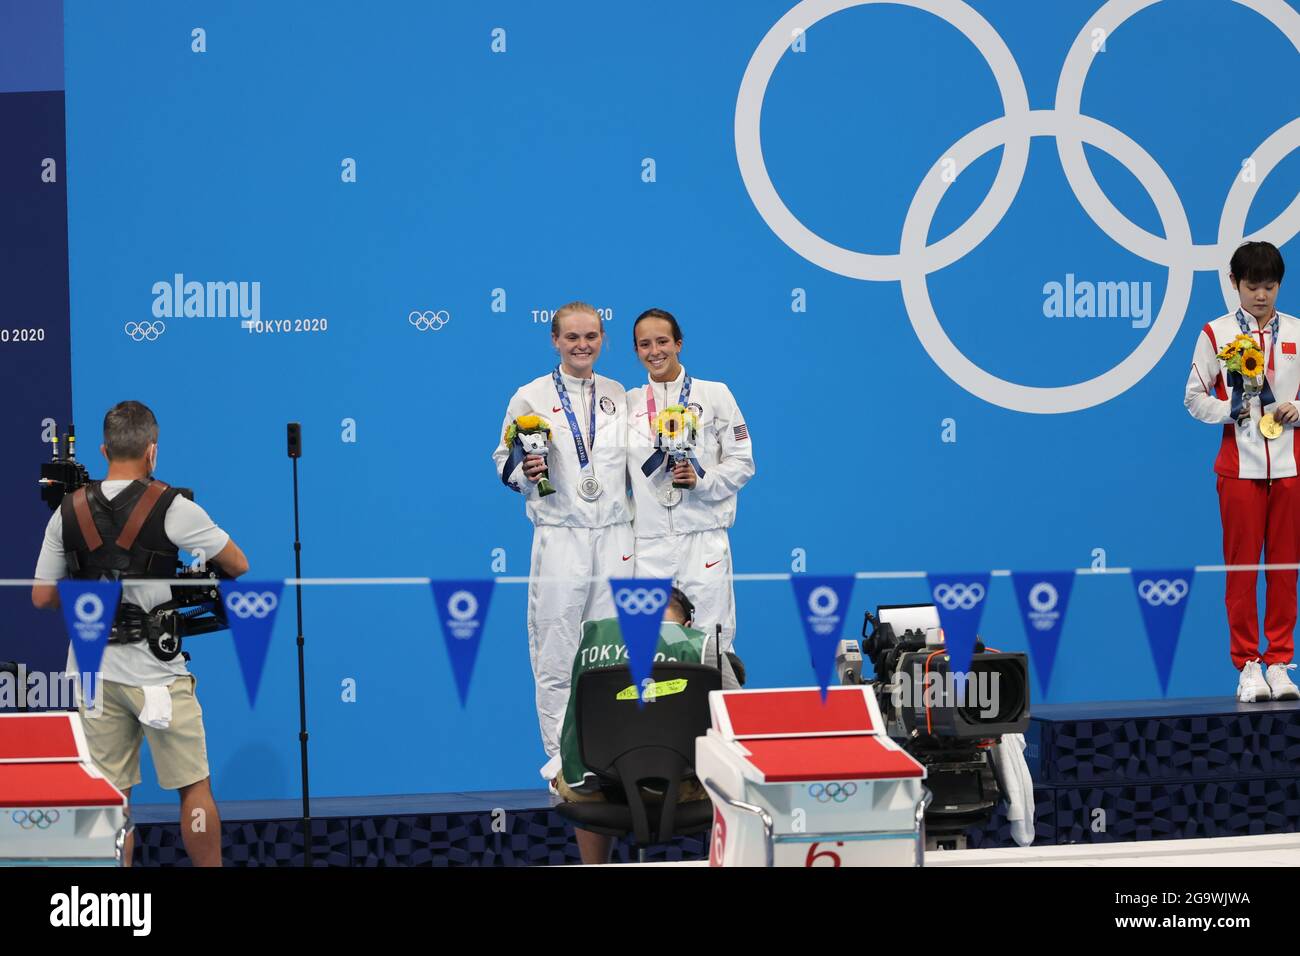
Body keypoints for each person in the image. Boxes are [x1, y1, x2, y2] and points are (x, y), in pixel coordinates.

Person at [31, 400, 249, 866]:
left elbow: (43, 598)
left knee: (114, 798)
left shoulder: (66, 512)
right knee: (193, 788)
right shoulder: (176, 507)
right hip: (159, 675)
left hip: (95, 675)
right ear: (152, 452)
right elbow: (237, 564)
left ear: (104, 449)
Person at [492, 302, 633, 782]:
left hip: (617, 537)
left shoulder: (620, 395)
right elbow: (502, 460)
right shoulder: (529, 396)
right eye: (572, 337)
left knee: (612, 647)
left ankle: (611, 753)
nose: (582, 345)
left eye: (591, 336)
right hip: (561, 533)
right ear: (555, 339)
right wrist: (523, 471)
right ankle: (563, 762)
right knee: (556, 646)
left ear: (602, 338)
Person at [1184, 241, 1300, 703]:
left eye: (1270, 287)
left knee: (1286, 570)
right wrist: (1232, 411)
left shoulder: (1296, 332)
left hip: (1291, 467)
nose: (1261, 296)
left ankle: (1280, 662)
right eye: (1253, 286)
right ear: (1235, 283)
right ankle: (1248, 664)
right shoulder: (1216, 336)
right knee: (1242, 571)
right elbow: (1193, 398)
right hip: (1239, 470)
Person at [555, 587, 735, 864]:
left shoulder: (594, 642)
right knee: (737, 775)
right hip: (682, 787)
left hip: (600, 787)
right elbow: (736, 717)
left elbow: (575, 728)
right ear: (688, 624)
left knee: (574, 779)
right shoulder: (700, 645)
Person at [626, 308, 755, 652]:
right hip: (648, 545)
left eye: (663, 341)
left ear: (679, 343)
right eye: (644, 344)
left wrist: (703, 481)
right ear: (636, 351)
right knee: (649, 646)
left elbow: (743, 462)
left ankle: (715, 707)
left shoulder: (715, 395)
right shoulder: (628, 404)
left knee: (713, 641)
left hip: (703, 538)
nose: (655, 351)